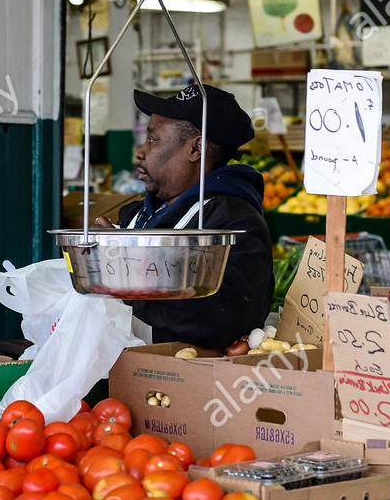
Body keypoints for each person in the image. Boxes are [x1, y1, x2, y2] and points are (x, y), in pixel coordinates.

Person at [97, 84, 272, 349]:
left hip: (175, 380)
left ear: (195, 149)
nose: (141, 151)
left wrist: (125, 269)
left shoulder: (234, 225)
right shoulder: (137, 215)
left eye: (153, 139)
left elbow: (221, 320)